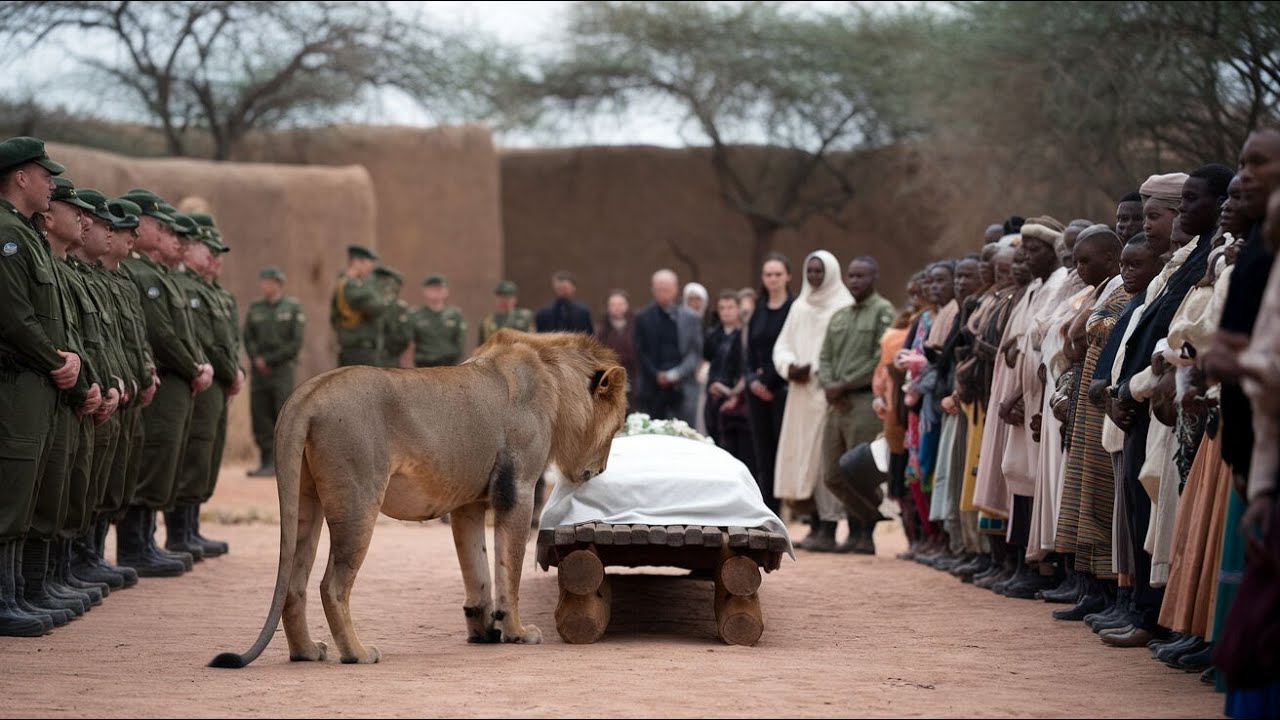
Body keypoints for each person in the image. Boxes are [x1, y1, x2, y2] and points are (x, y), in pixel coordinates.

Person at [118, 187, 211, 578]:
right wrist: (193, 368)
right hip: (163, 378)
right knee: (152, 459)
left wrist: (196, 366)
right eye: (163, 228)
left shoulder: (161, 276)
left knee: (166, 460)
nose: (172, 238)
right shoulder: (142, 274)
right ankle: (135, 547)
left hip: (176, 379)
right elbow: (160, 334)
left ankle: (148, 542)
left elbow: (181, 334)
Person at [773, 250, 854, 550]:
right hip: (800, 395)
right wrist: (789, 366)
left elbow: (844, 351)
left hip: (827, 394)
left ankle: (830, 527)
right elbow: (782, 345)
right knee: (802, 459)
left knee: (823, 462)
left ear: (831, 272)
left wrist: (817, 371)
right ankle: (815, 524)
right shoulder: (800, 306)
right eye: (811, 271)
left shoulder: (843, 305)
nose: (815, 277)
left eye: (820, 272)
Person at [819, 257, 897, 554]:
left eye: (861, 276)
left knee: (858, 471)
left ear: (874, 277)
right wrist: (829, 384)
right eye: (851, 276)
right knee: (832, 475)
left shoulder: (883, 312)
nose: (854, 281)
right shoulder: (840, 316)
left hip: (863, 401)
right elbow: (824, 356)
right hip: (836, 403)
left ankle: (863, 534)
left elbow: (879, 359)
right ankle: (869, 517)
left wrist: (845, 383)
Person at [242, 266, 304, 477]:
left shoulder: (292, 307)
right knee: (260, 415)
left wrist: (270, 360)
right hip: (259, 372)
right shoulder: (256, 308)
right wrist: (256, 358)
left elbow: (295, 342)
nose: (265, 286)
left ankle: (283, 464)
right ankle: (265, 461)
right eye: (263, 282)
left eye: (269, 282)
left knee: (282, 414)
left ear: (278, 284)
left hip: (281, 370)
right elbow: (248, 337)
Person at [744, 253, 793, 514]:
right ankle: (767, 509)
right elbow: (749, 350)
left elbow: (792, 347)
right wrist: (752, 380)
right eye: (768, 275)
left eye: (777, 274)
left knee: (781, 450)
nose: (772, 279)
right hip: (756, 392)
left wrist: (768, 381)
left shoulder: (794, 309)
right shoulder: (759, 309)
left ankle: (785, 508)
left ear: (788, 277)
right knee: (762, 451)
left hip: (781, 389)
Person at [633, 269, 702, 423]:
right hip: (652, 388)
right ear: (653, 290)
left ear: (676, 290)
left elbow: (694, 352)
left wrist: (675, 374)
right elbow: (640, 350)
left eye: (667, 289)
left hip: (682, 386)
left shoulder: (690, 318)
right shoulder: (643, 317)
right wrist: (656, 374)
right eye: (659, 289)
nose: (663, 293)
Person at [704, 289, 752, 474]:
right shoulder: (712, 335)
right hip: (713, 394)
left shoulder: (744, 335)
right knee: (713, 439)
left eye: (730, 307)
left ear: (738, 309)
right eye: (722, 308)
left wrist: (730, 390)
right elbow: (708, 359)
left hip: (735, 396)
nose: (726, 312)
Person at [330, 244, 387, 367]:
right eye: (368, 264)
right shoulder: (351, 285)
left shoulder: (348, 284)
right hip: (359, 350)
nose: (370, 269)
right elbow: (377, 308)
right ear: (356, 262)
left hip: (358, 348)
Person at [411, 274, 466, 368]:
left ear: (446, 291)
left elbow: (460, 342)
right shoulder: (415, 315)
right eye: (432, 289)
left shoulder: (455, 314)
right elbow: (410, 343)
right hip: (423, 366)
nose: (436, 292)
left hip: (448, 365)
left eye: (439, 289)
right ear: (424, 291)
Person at [595, 289, 637, 411]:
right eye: (613, 305)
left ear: (627, 306)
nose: (617, 308)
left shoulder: (636, 326)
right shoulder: (601, 330)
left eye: (620, 304)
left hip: (634, 378)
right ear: (608, 308)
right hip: (611, 379)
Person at [372, 265, 411, 368]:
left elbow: (404, 337)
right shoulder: (368, 304)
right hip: (366, 357)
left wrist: (390, 351)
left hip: (390, 360)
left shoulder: (399, 308)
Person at [479, 280, 534, 345]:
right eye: (500, 297)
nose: (504, 301)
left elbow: (532, 341)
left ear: (515, 299)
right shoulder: (488, 321)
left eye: (508, 297)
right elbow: (481, 346)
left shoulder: (524, 318)